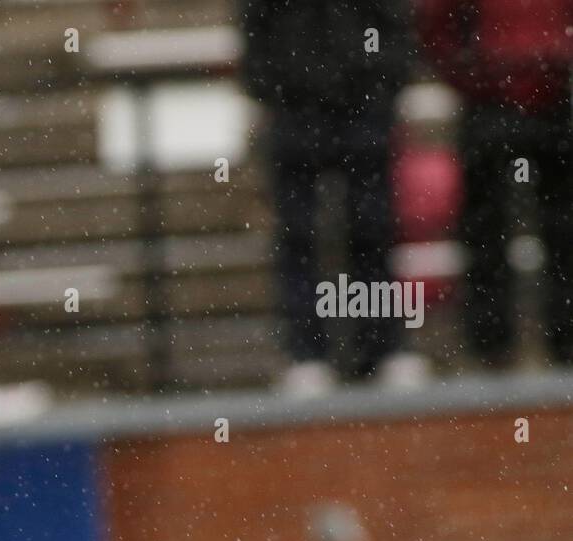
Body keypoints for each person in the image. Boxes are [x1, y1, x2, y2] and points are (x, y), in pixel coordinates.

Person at [240, 0, 431, 395]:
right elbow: (255, 29)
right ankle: (307, 353)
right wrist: (278, 86)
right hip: (296, 109)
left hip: (363, 107)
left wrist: (381, 82)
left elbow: (393, 25)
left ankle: (381, 346)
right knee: (298, 238)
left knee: (372, 231)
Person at [419, 0, 573, 368]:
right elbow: (436, 26)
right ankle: (492, 346)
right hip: (489, 105)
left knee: (563, 229)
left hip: (553, 100)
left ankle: (564, 340)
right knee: (486, 231)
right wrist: (476, 75)